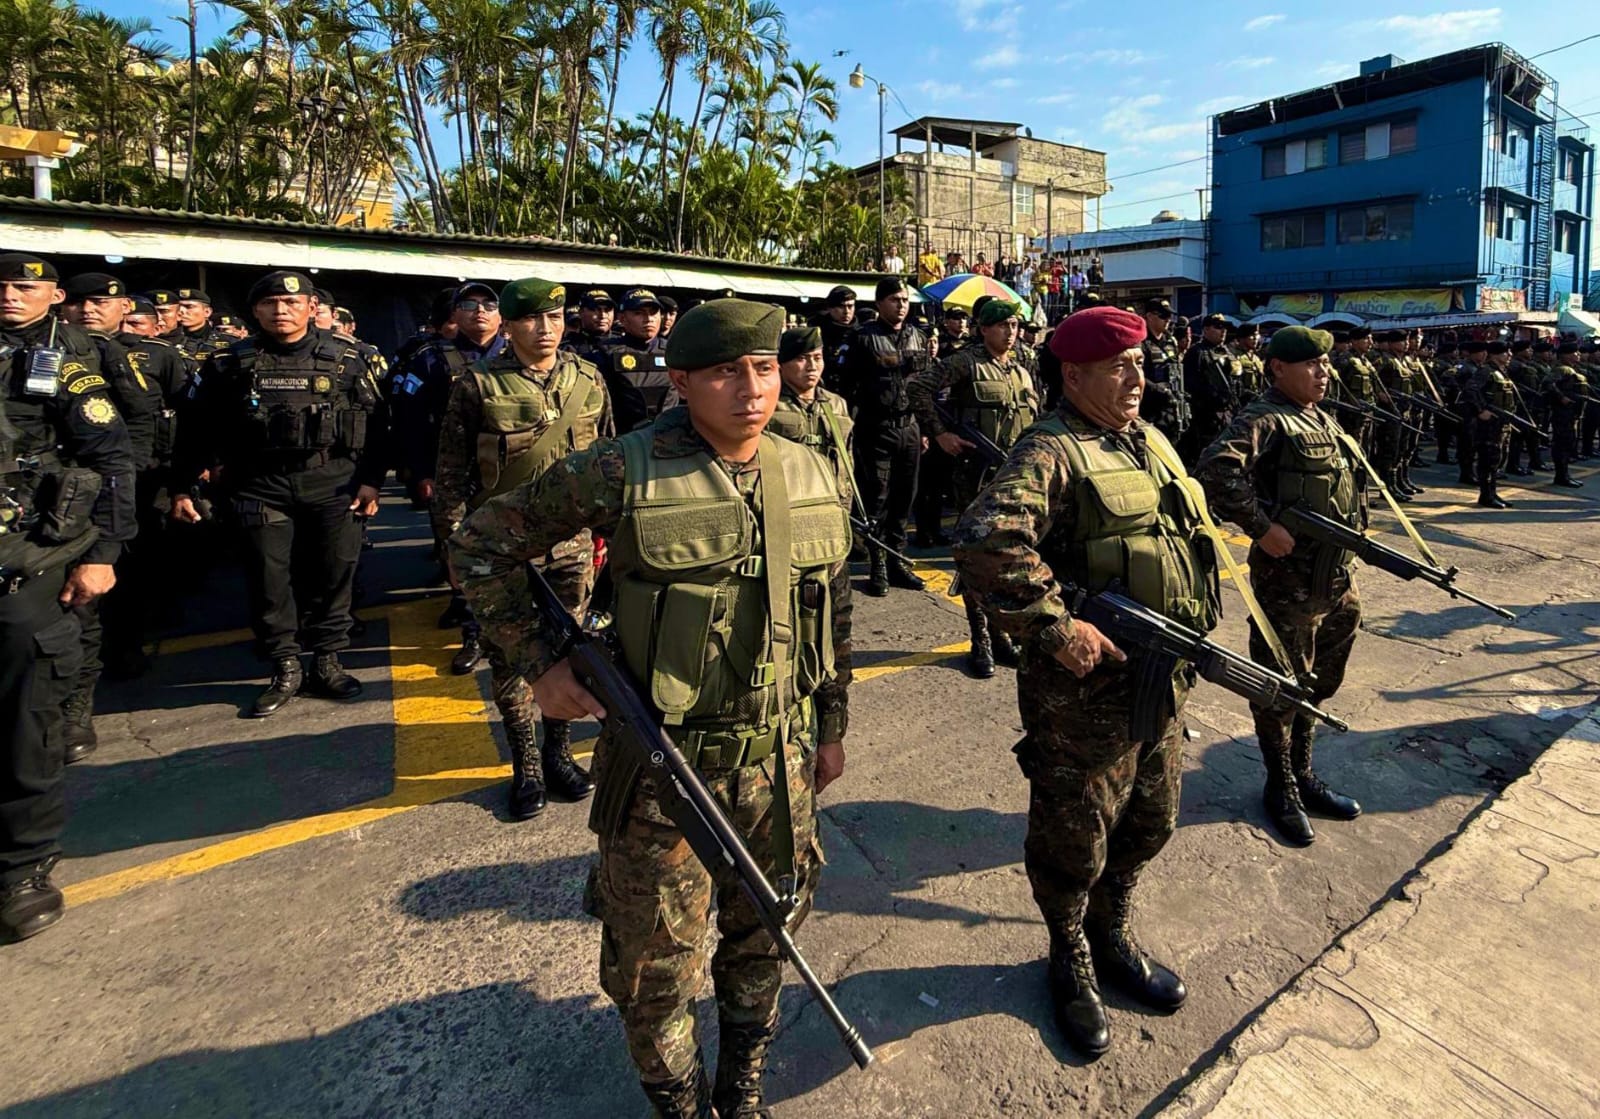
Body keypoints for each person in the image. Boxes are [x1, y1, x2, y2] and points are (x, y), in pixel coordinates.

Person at [449, 298, 853, 1118]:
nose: (751, 388)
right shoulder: (623, 466)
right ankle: (678, 1105)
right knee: (655, 970)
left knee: (765, 939)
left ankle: (740, 1090)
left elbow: (832, 606)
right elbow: (480, 542)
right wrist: (538, 661)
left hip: (781, 761)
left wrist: (832, 724)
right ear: (679, 381)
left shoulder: (810, 466)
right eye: (724, 372)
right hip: (666, 773)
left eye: (765, 367)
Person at [952, 305, 1214, 1058]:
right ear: (1075, 374)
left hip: (1161, 681)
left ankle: (1112, 930)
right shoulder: (1052, 450)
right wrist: (1055, 627)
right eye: (1118, 367)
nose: (1137, 377)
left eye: (1140, 363)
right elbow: (983, 541)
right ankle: (1068, 951)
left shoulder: (1150, 443)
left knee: (1152, 819)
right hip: (1084, 699)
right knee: (1075, 839)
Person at [171, 270, 389, 716]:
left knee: (335, 574)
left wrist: (372, 480)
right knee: (268, 579)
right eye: (270, 303)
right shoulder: (228, 363)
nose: (281, 310)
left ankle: (327, 660)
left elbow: (380, 425)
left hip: (334, 482)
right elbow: (193, 430)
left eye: (292, 303)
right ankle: (285, 664)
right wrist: (183, 485)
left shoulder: (350, 359)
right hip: (259, 484)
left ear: (312, 307)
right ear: (255, 311)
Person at [432, 278, 610, 820]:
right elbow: (451, 477)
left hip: (572, 545)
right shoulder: (477, 385)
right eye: (532, 319)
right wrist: (455, 552)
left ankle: (557, 752)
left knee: (570, 648)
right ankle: (526, 764)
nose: (545, 329)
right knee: (511, 656)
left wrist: (608, 533)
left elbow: (607, 458)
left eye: (554, 317)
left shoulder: (588, 379)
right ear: (508, 326)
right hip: (502, 549)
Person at [0, 252, 135, 944]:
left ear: (48, 294)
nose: (8, 296)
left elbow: (114, 458)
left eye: (23, 285)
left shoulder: (68, 370)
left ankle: (22, 865)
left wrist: (105, 552)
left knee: (29, 716)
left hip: (32, 557)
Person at [1195, 326, 1364, 847]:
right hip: (1288, 583)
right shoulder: (1263, 418)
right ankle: (1281, 785)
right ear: (1278, 370)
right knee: (1281, 687)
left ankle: (1304, 771)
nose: (1323, 373)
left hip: (1333, 578)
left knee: (1315, 683)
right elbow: (1216, 471)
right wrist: (1261, 527)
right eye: (1311, 365)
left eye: (1325, 364)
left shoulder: (1321, 419)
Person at [910, 299, 1039, 675]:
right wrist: (941, 433)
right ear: (983, 329)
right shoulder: (966, 361)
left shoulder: (1020, 367)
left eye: (1014, 325)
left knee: (1008, 557)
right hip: (975, 476)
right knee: (976, 558)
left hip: (1012, 475)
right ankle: (980, 638)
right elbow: (918, 387)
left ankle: (1001, 636)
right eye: (1002, 326)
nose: (1010, 332)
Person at [840, 276, 930, 596]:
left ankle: (896, 561)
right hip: (874, 427)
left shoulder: (918, 337)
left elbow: (925, 387)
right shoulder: (862, 338)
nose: (901, 305)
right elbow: (844, 385)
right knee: (876, 496)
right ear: (879, 304)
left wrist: (925, 428)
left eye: (904, 299)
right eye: (894, 299)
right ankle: (877, 563)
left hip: (910, 427)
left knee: (905, 497)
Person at [586, 288, 670, 433]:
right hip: (626, 440)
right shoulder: (606, 354)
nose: (648, 319)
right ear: (622, 318)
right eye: (639, 313)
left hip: (671, 435)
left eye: (653, 312)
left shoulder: (674, 350)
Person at [1464, 340, 1516, 509]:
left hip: (1501, 423)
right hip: (1489, 426)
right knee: (1487, 461)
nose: (1509, 355)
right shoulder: (1486, 371)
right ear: (1494, 354)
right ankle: (1485, 495)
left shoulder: (1501, 372)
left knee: (1496, 460)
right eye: (1505, 352)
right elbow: (1470, 390)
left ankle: (1492, 492)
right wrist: (1480, 411)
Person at [1137, 298, 1187, 445]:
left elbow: (1176, 368)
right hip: (1150, 408)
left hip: (1170, 407)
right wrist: (1158, 390)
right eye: (1163, 316)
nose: (1168, 320)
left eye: (1169, 316)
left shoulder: (1170, 341)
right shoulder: (1141, 343)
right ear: (1150, 316)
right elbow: (1137, 374)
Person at [1542, 341, 1586, 488]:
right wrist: (1561, 397)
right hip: (1563, 413)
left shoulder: (1571, 369)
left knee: (1568, 443)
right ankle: (1561, 476)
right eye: (1575, 353)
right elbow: (1548, 383)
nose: (1578, 355)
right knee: (1562, 444)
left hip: (1571, 412)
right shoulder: (1562, 369)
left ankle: (1564, 474)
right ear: (1566, 355)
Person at [811, 285, 856, 398]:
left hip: (853, 393)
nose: (846, 311)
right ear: (830, 308)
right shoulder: (817, 333)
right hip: (824, 390)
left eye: (850, 306)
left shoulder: (860, 333)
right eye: (841, 307)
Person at [174, 288, 228, 367]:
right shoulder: (167, 339)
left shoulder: (226, 341)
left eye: (189, 306)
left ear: (207, 312)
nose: (181, 311)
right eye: (178, 308)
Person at [1228, 323, 1266, 404]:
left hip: (1257, 401)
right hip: (1241, 402)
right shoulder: (1233, 357)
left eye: (1257, 335)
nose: (1255, 339)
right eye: (1252, 336)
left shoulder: (1256, 358)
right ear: (1242, 338)